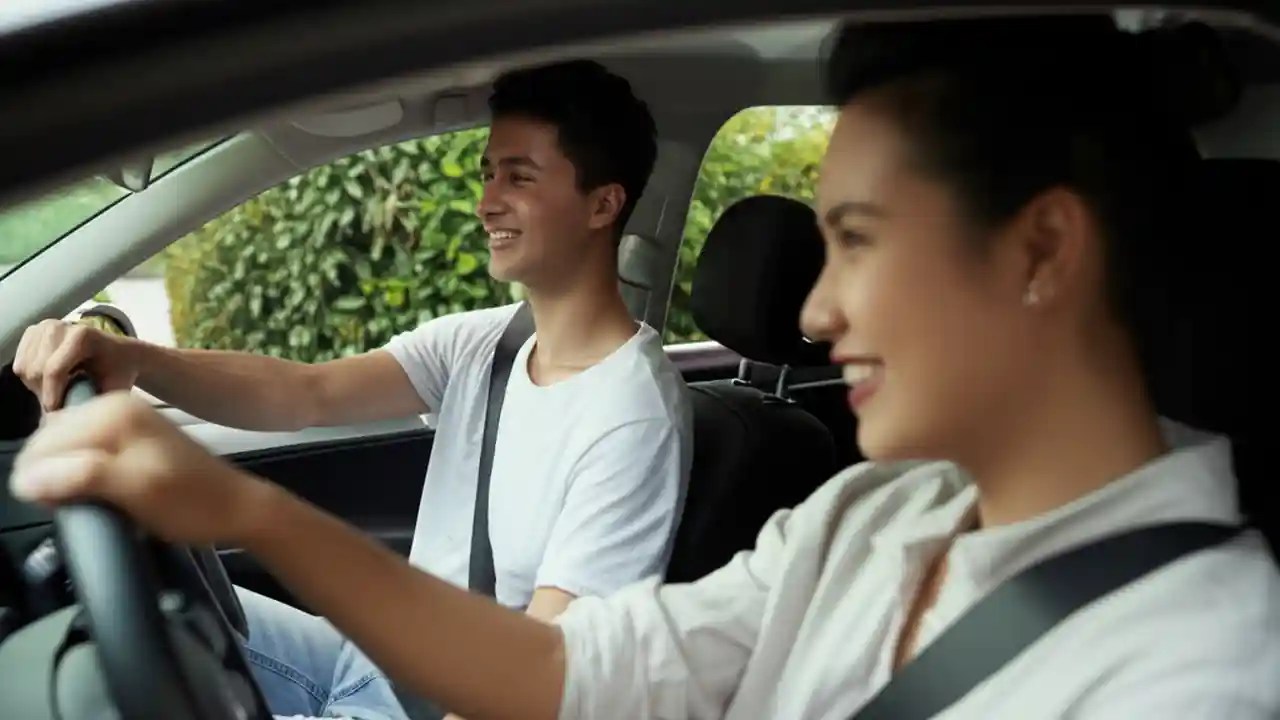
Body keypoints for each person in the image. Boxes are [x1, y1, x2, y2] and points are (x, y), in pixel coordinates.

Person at [12, 15, 1280, 720]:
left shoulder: (1204, 664)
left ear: (1039, 248)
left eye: (853, 240)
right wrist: (235, 507)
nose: (819, 310)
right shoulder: (864, 516)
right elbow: (570, 676)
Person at [12, 59, 691, 720]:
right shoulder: (489, 341)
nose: (486, 203)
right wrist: (135, 360)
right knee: (140, 628)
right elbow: (305, 393)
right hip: (379, 658)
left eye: (519, 177)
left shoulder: (631, 416)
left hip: (459, 699)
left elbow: (546, 683)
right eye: (488, 174)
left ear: (603, 204)